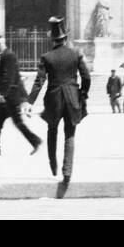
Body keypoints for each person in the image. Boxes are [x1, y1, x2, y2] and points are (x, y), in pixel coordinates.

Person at [27, 17, 91, 197]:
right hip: (72, 97)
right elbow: (86, 77)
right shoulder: (76, 54)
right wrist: (83, 94)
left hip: (54, 98)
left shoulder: (47, 57)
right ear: (66, 38)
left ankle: (53, 164)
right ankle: (67, 171)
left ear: (53, 40)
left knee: (52, 131)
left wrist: (30, 101)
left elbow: (39, 81)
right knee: (70, 135)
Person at [0, 35, 41, 157]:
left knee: (16, 122)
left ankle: (35, 141)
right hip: (9, 96)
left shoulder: (8, 56)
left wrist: (3, 94)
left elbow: (9, 77)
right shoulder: (6, 55)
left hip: (10, 97)